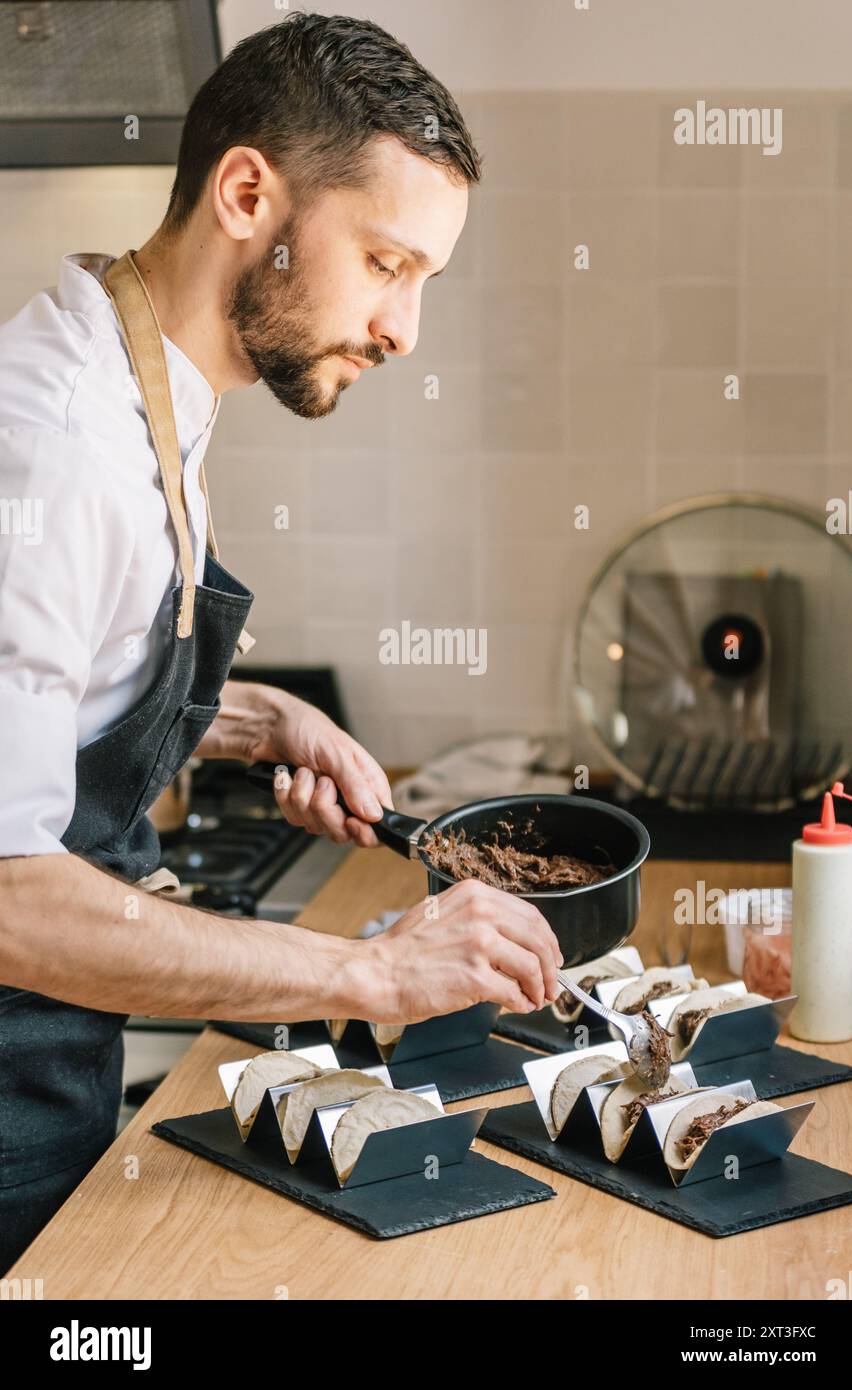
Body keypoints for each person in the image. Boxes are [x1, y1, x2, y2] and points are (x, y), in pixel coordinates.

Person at [0, 12, 562, 1270]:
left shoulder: (152, 387)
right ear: (249, 192)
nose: (403, 329)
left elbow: (72, 678)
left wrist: (251, 719)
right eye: (384, 263)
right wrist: (364, 974)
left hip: (49, 1065)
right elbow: (6, 892)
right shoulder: (46, 445)